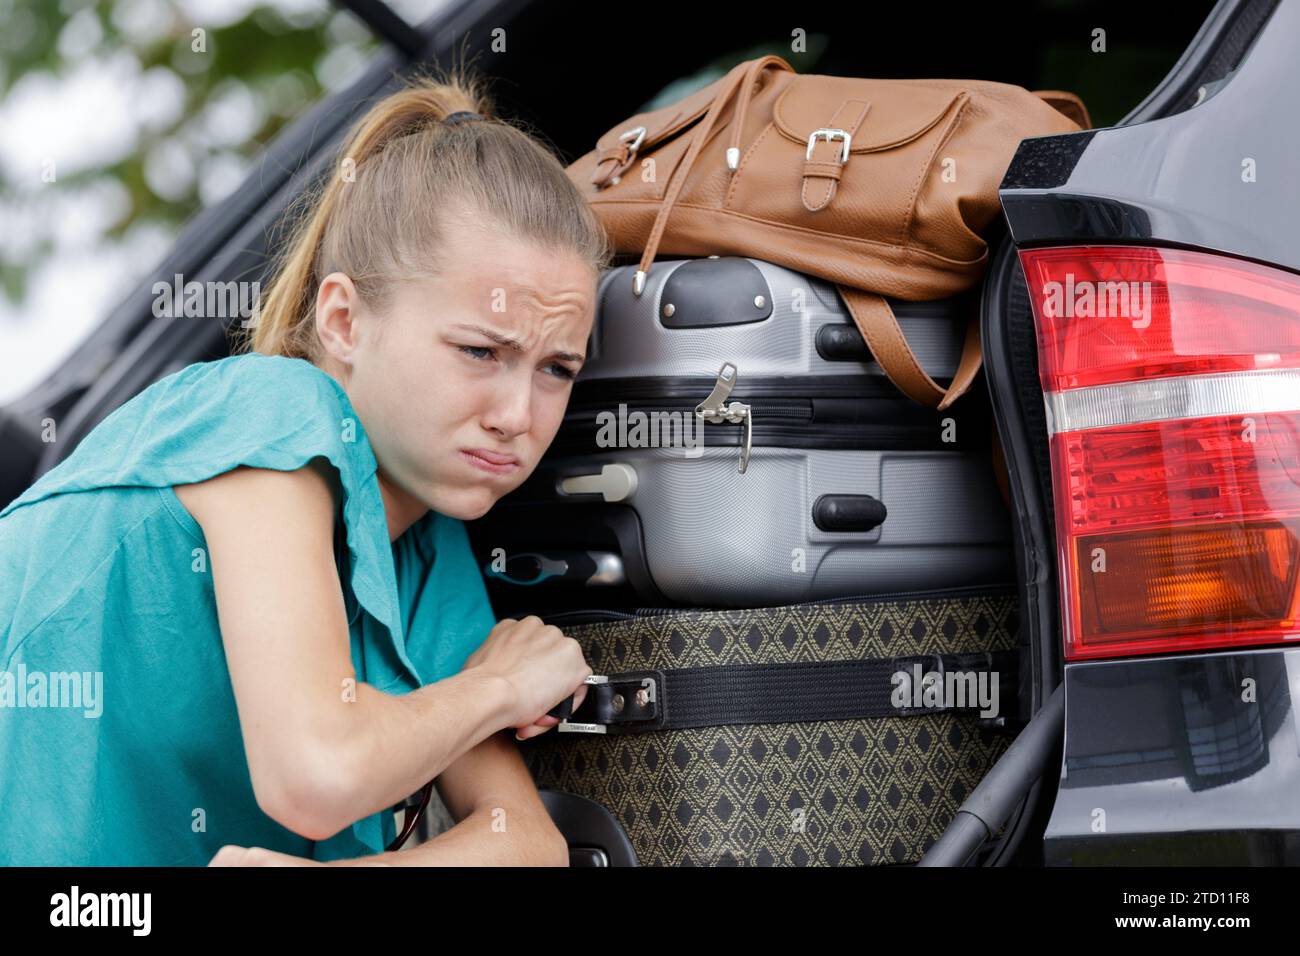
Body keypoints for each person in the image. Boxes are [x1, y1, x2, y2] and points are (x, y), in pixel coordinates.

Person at [0, 68, 611, 866]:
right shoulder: (273, 412)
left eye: (556, 369)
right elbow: (315, 774)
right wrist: (499, 688)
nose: (517, 414)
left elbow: (528, 845)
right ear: (343, 319)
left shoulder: (427, 550)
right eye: (478, 350)